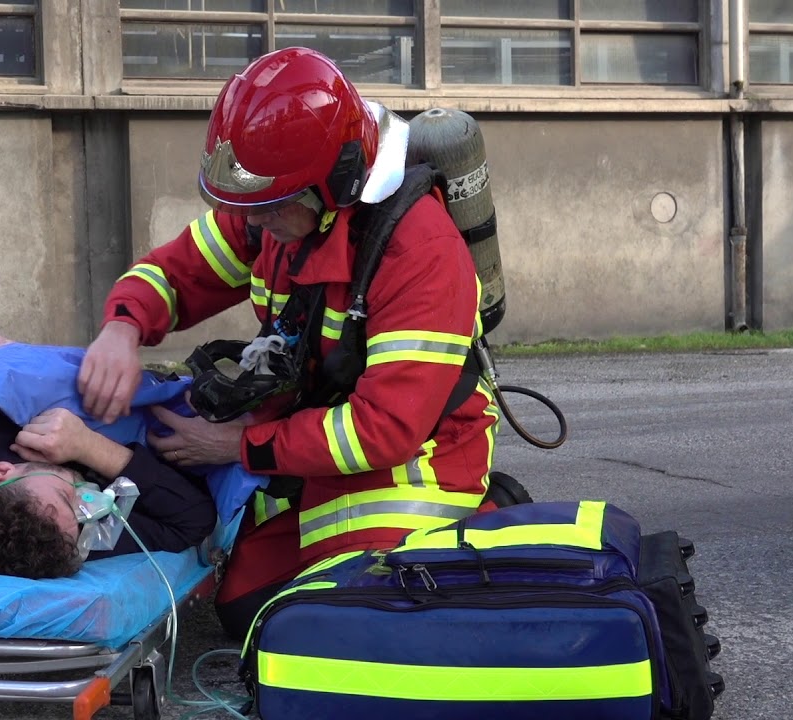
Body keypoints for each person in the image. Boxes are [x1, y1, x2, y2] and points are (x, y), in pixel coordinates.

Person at [77, 47, 501, 638]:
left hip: (419, 463)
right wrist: (122, 328)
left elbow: (383, 429)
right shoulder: (277, 202)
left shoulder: (418, 249)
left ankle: (490, 521)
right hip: (313, 444)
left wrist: (238, 445)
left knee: (328, 624)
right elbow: (176, 273)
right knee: (245, 606)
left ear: (338, 184)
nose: (253, 225)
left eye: (269, 210)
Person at [0, 405, 218, 579]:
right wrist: (90, 447)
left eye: (66, 497)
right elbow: (194, 518)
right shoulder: (66, 539)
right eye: (80, 521)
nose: (88, 503)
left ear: (3, 471)